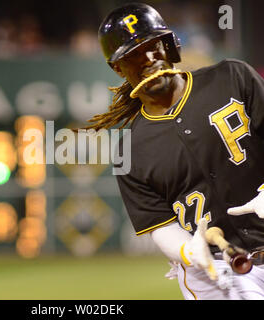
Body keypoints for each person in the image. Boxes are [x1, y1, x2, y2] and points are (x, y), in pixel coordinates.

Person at [84, 2, 264, 299]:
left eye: (155, 45)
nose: (150, 58)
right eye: (135, 54)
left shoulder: (232, 78)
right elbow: (159, 226)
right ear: (117, 67)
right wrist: (188, 250)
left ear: (171, 45)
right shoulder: (129, 150)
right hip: (214, 272)